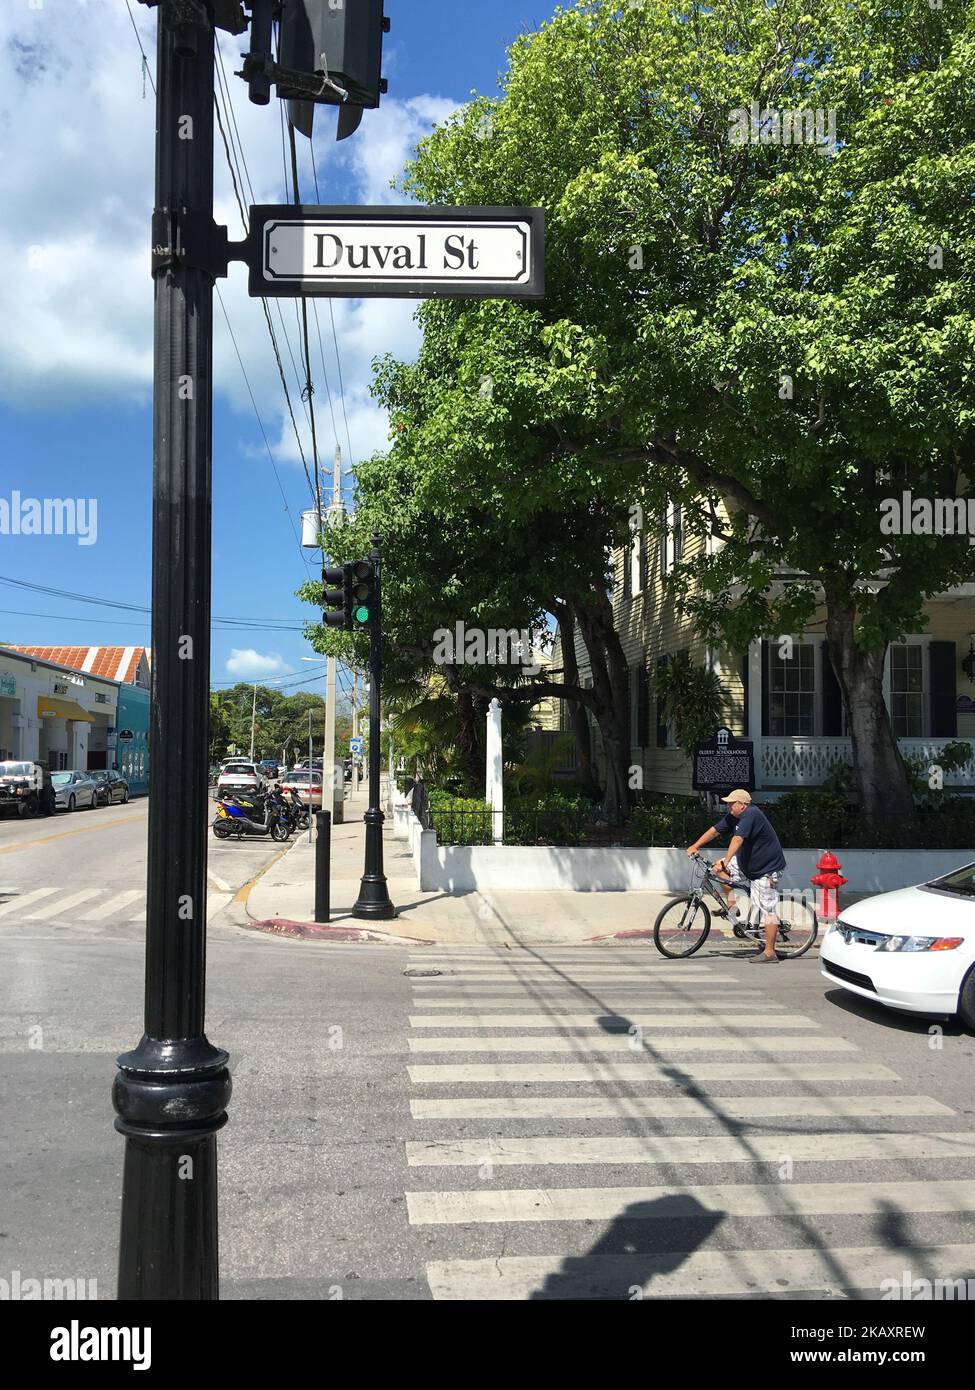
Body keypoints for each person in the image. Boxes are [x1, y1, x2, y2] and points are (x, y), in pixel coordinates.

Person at [686, 789, 787, 963]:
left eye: (732, 803)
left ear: (743, 804)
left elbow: (738, 839)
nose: (728, 806)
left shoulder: (751, 814)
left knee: (766, 909)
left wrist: (726, 860)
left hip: (766, 869)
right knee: (717, 870)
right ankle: (732, 905)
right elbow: (715, 830)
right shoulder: (735, 816)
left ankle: (770, 952)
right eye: (728, 803)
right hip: (747, 863)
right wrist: (695, 845)